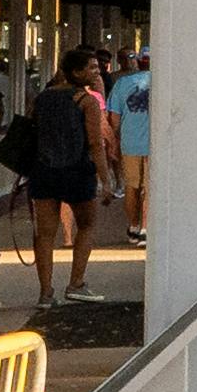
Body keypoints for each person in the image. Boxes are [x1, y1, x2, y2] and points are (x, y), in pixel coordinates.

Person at [15, 48, 114, 311]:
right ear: (76, 72)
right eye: (91, 68)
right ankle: (77, 283)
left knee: (44, 234)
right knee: (87, 225)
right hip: (78, 172)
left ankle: (46, 292)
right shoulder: (87, 101)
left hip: (44, 172)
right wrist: (106, 180)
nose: (97, 72)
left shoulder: (42, 98)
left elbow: (29, 132)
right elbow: (95, 143)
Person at [110, 45, 154, 243]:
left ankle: (133, 226)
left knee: (131, 186)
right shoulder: (164, 82)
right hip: (155, 144)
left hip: (130, 142)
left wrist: (115, 140)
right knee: (150, 187)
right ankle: (145, 227)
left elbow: (114, 119)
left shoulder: (122, 83)